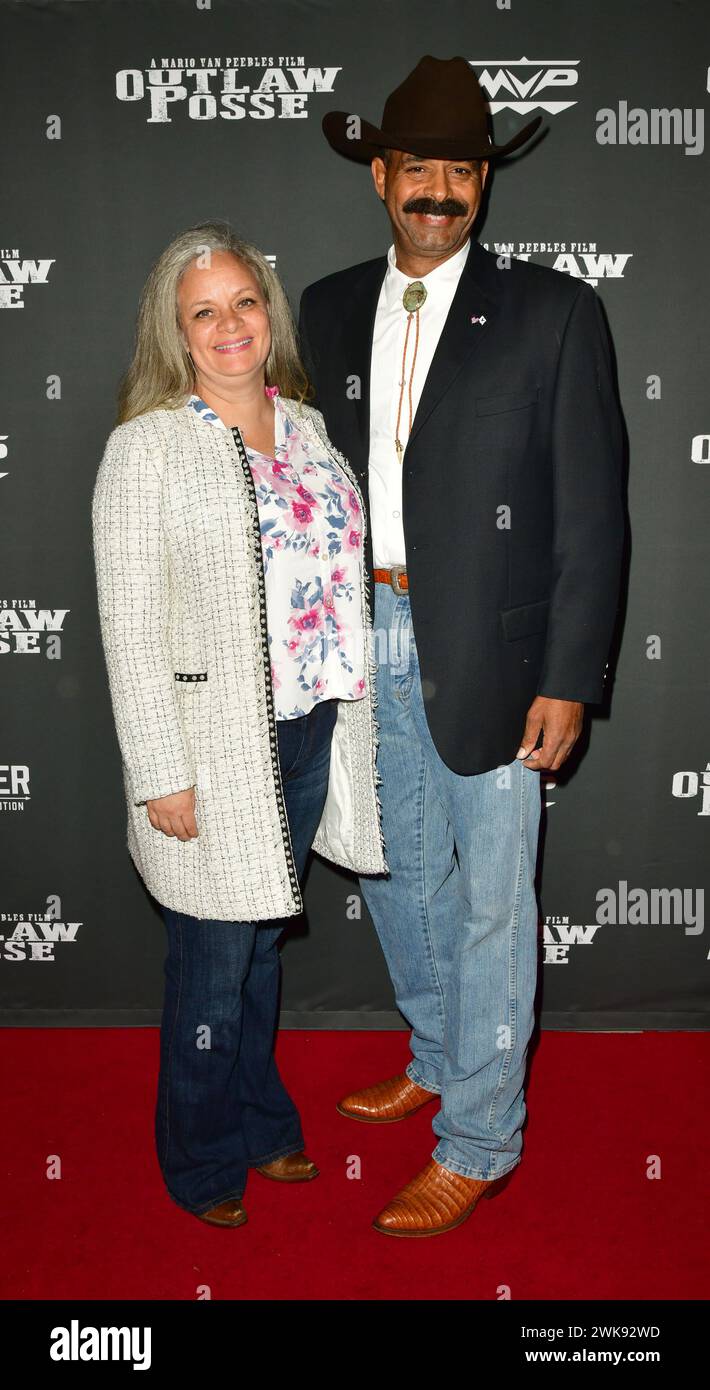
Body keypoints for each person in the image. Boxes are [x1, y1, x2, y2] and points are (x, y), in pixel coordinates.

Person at [298, 55, 626, 1237]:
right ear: (378, 175)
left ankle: (479, 1138)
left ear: (484, 182)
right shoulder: (326, 306)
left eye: (462, 171)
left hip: (495, 650)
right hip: (360, 636)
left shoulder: (553, 312)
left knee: (491, 899)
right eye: (417, 167)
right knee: (392, 872)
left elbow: (591, 514)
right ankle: (438, 1054)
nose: (439, 189)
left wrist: (566, 677)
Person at [91, 221, 387, 1228]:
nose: (229, 325)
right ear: (175, 333)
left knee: (259, 951)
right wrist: (159, 770)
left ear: (270, 312)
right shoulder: (146, 449)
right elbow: (130, 626)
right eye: (203, 311)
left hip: (306, 735)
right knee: (213, 971)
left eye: (244, 302)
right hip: (212, 753)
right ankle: (201, 1153)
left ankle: (261, 1119)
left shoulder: (306, 428)